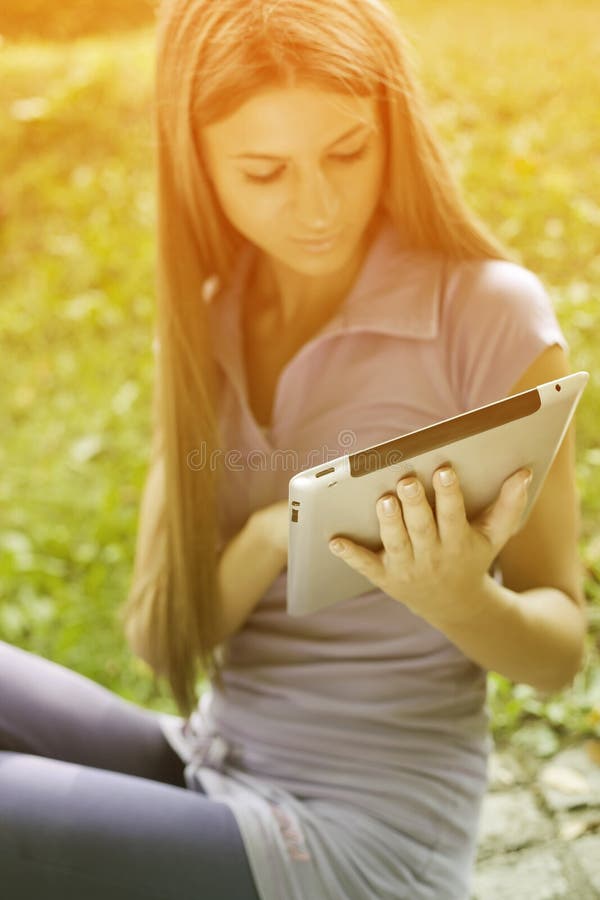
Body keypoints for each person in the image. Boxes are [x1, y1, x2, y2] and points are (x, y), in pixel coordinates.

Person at [0, 1, 587, 898]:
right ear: (199, 165)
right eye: (264, 171)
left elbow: (559, 655)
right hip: (212, 763)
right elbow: (163, 640)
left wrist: (458, 597)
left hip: (358, 837)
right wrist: (276, 537)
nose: (317, 206)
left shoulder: (488, 318)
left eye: (348, 152)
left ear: (392, 131)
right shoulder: (205, 319)